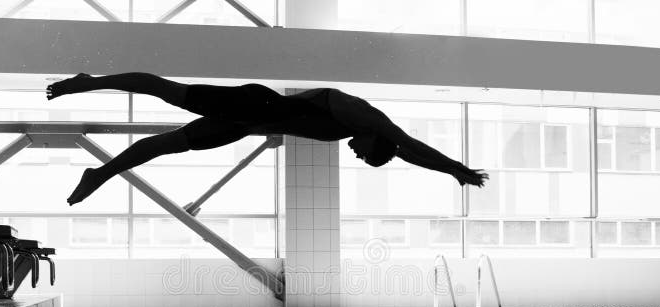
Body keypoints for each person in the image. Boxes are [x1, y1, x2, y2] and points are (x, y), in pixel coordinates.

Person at [46, 73, 488, 205]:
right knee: (168, 92)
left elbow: (408, 154)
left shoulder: (356, 130)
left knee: (168, 143)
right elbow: (413, 146)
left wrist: (451, 174)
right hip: (250, 105)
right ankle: (89, 83)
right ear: (377, 139)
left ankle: (101, 172)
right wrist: (456, 169)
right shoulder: (363, 115)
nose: (354, 151)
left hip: (245, 122)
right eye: (364, 152)